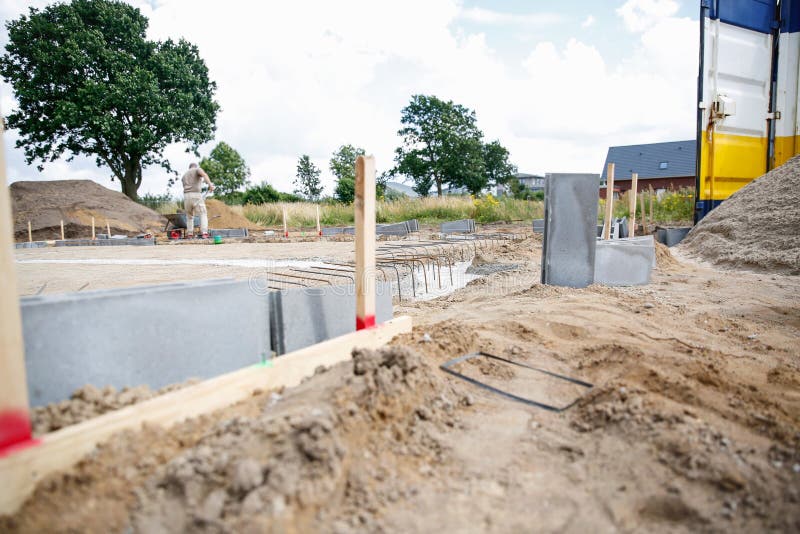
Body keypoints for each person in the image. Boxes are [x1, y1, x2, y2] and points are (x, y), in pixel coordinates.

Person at [181, 163, 215, 238]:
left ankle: (190, 234)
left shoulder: (184, 176)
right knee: (203, 213)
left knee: (189, 216)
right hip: (196, 195)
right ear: (195, 166)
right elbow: (204, 175)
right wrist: (210, 185)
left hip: (186, 196)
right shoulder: (197, 169)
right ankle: (204, 233)